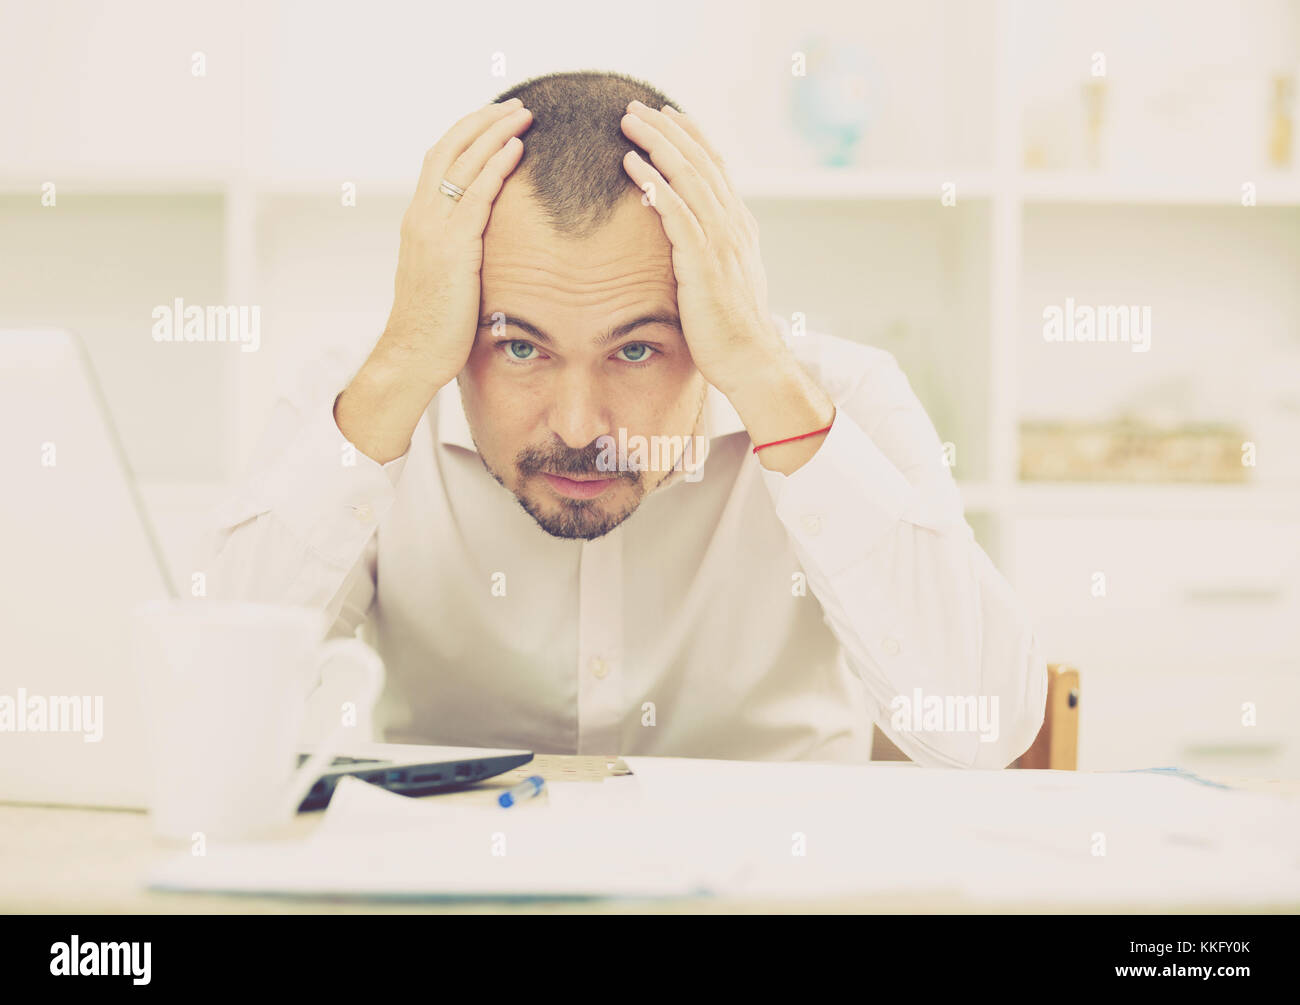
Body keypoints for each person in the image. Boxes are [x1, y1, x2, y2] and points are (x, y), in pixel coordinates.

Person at [209, 70, 1046, 768]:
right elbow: (213, 713)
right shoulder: (366, 402)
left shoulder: (838, 397)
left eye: (637, 349)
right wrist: (398, 366)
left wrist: (759, 368)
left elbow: (981, 731)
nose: (577, 426)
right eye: (521, 348)